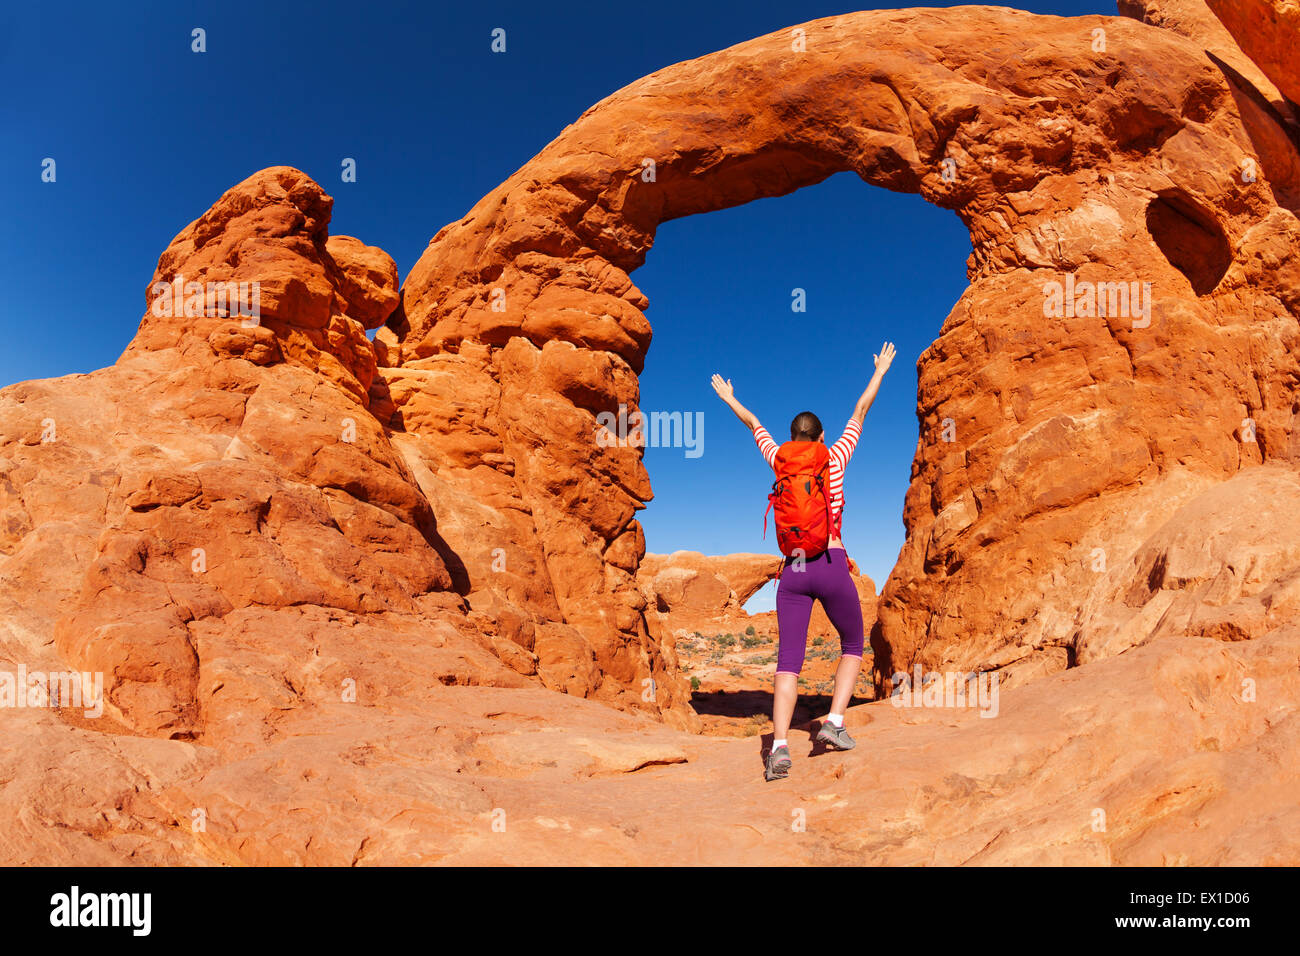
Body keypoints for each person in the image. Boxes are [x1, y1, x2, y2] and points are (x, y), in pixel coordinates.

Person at [710, 341, 895, 781]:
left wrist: (729, 397)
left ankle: (777, 749)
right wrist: (881, 371)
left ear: (793, 439)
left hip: (792, 570)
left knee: (787, 661)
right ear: (821, 437)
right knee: (852, 644)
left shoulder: (779, 461)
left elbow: (754, 424)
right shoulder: (833, 460)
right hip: (831, 562)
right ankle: (833, 723)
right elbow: (861, 411)